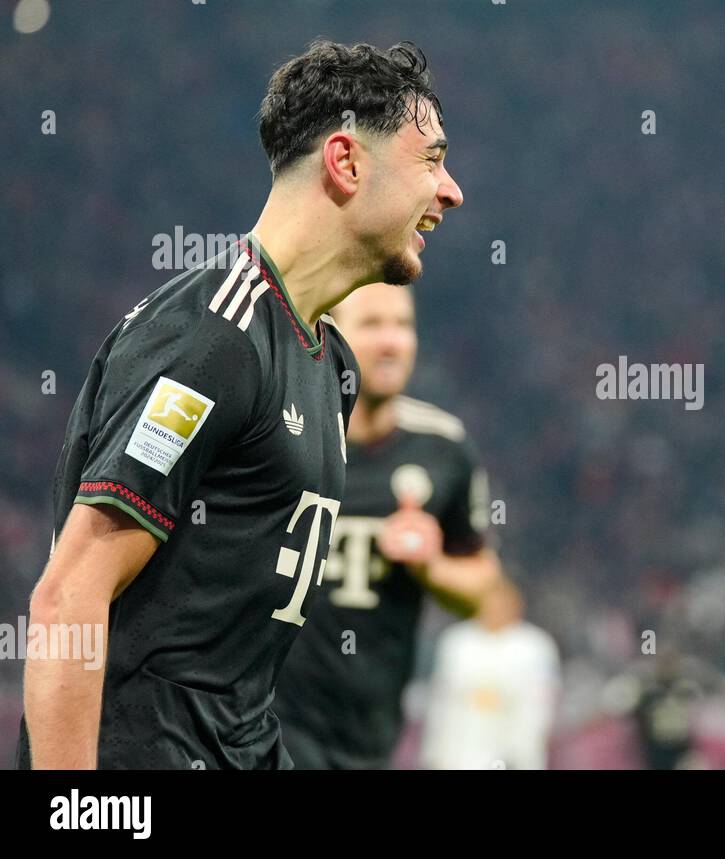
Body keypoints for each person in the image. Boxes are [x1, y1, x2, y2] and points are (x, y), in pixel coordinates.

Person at [19, 40, 463, 769]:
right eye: (431, 159)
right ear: (346, 161)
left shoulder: (329, 363)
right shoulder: (212, 340)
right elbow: (70, 595)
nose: (451, 191)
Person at [275, 283, 502, 769]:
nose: (392, 342)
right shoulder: (278, 430)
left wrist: (432, 565)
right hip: (264, 725)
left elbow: (481, 588)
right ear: (331, 334)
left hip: (369, 737)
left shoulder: (444, 448)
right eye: (374, 324)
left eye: (403, 325)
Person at [421, 582, 560, 770]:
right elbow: (441, 700)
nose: (495, 610)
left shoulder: (534, 646)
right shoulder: (457, 642)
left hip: (510, 748)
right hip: (460, 749)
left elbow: (538, 706)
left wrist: (521, 752)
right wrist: (434, 752)